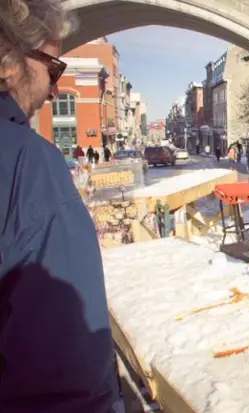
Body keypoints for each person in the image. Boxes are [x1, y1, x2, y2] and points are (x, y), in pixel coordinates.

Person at [0, 1, 122, 412]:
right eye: (53, 69)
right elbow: (68, 372)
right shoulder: (27, 164)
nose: (54, 89)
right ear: (10, 61)